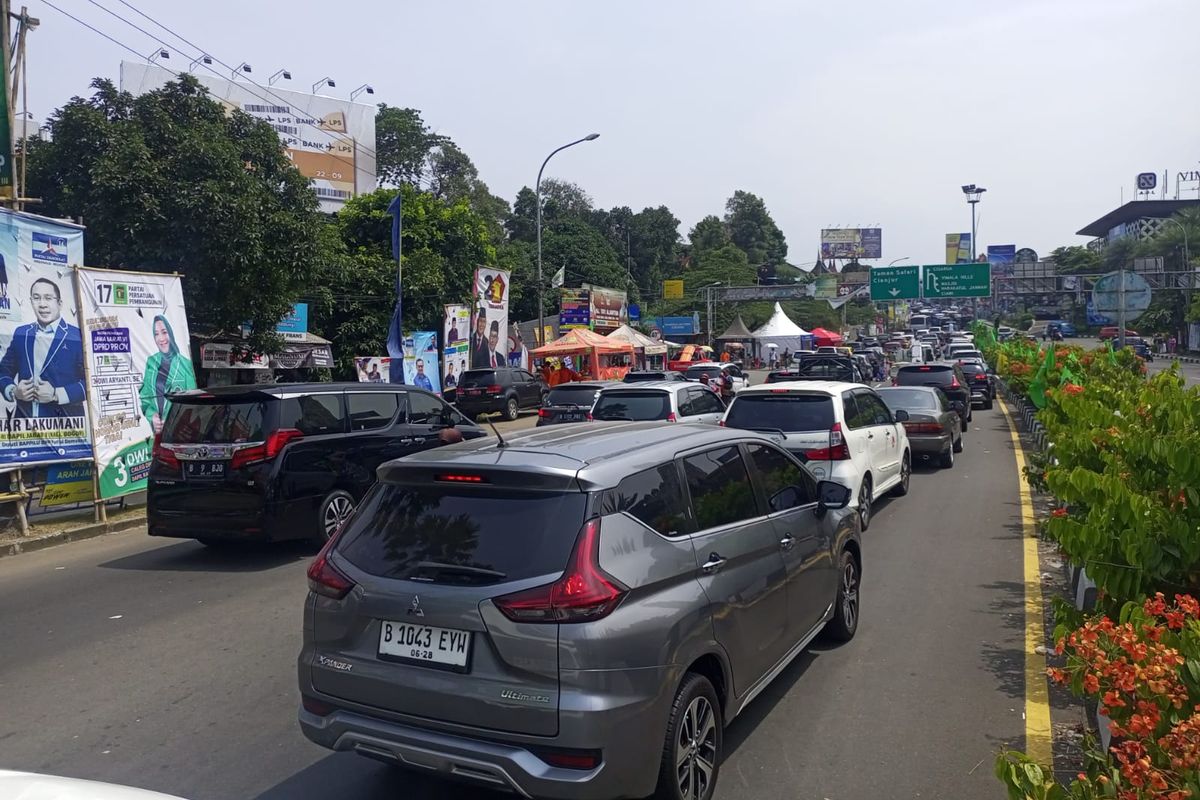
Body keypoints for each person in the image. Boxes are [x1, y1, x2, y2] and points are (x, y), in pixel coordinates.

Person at [0, 277, 86, 419]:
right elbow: (3, 371)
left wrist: (56, 394)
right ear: (31, 302)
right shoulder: (22, 333)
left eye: (48, 298)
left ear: (59, 303)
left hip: (65, 429)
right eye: (36, 298)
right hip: (24, 426)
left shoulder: (77, 335)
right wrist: (13, 391)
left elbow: (91, 382)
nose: (42, 304)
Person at [139, 314, 198, 435]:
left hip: (178, 433)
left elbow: (193, 402)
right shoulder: (151, 361)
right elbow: (145, 398)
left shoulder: (184, 364)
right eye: (156, 334)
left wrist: (174, 421)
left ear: (170, 333)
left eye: (164, 332)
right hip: (156, 434)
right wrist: (152, 417)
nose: (161, 338)